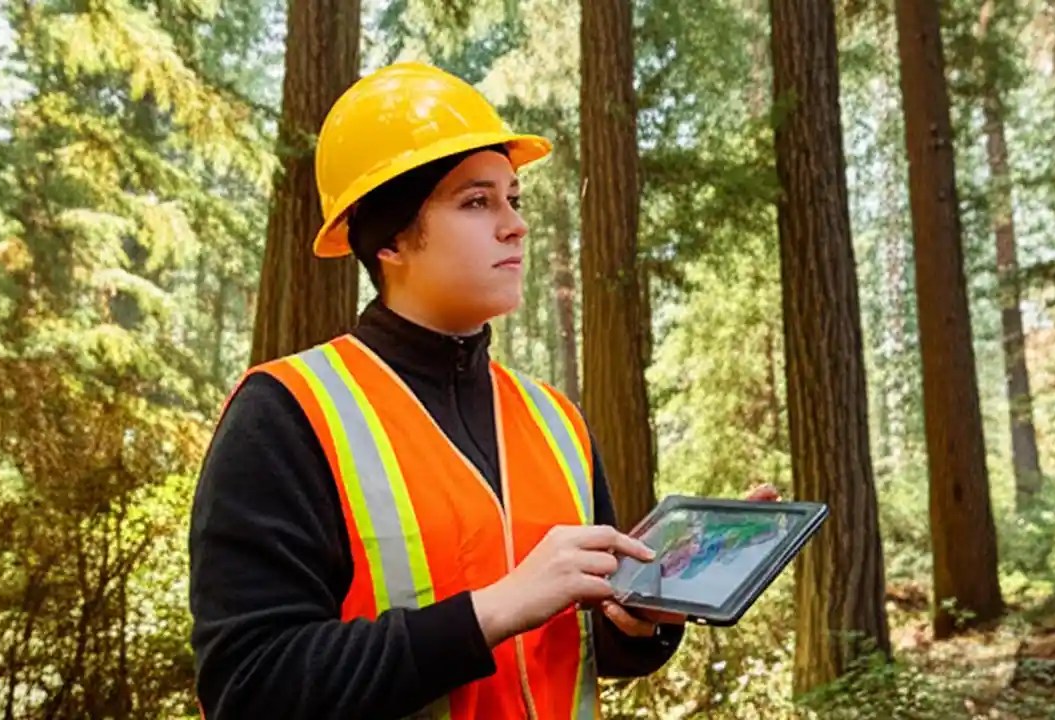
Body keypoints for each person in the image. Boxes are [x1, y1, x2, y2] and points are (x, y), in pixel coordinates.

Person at [189, 61, 778, 719]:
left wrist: (645, 614)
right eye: (477, 201)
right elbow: (250, 687)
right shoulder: (287, 412)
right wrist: (493, 610)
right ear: (390, 240)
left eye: (514, 199)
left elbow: (580, 647)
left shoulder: (557, 421)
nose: (515, 225)